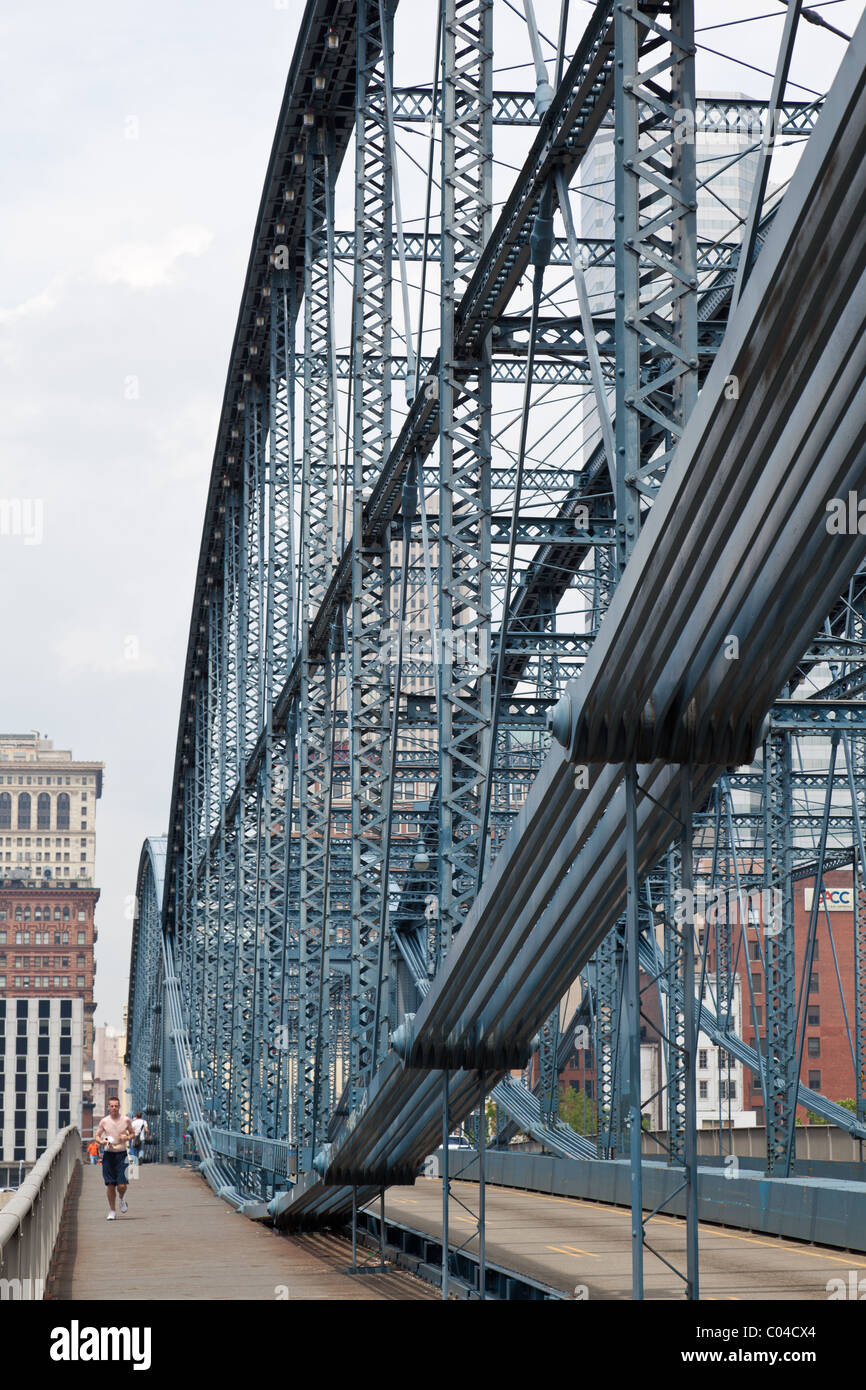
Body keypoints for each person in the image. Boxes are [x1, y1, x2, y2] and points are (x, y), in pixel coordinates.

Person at [94, 1097, 135, 1220]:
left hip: (121, 1154)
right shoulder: (104, 1121)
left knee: (121, 1185)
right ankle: (112, 1211)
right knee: (110, 1184)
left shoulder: (126, 1120)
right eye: (111, 1106)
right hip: (108, 1155)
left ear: (119, 1106)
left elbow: (132, 1133)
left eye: (116, 1106)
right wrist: (101, 1141)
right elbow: (97, 1136)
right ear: (108, 1107)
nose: (114, 1108)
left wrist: (127, 1137)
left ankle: (122, 1198)